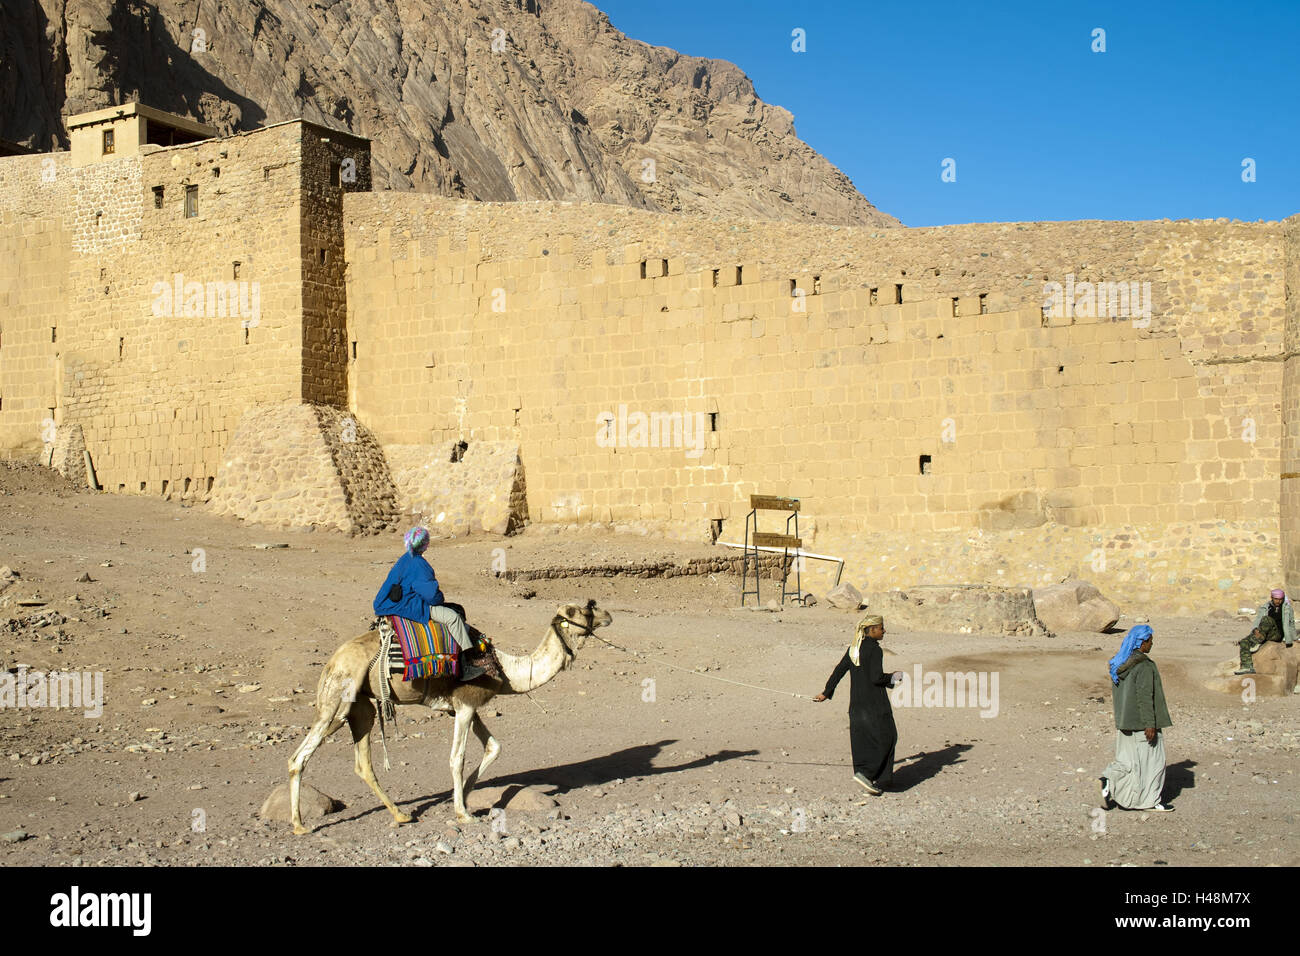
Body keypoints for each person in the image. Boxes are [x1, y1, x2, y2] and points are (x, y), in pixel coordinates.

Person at [372, 526, 485, 681]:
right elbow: (432, 596)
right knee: (453, 616)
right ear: (425, 544)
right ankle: (466, 665)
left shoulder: (405, 559)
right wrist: (440, 599)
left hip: (391, 603)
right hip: (408, 605)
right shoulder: (419, 564)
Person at [813, 615, 903, 796]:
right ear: (871, 630)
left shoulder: (854, 649)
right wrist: (894, 676)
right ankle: (867, 774)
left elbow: (839, 671)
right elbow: (876, 677)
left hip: (857, 704)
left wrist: (826, 692)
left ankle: (883, 779)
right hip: (875, 704)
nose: (884, 631)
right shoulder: (875, 650)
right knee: (888, 736)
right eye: (881, 628)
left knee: (864, 740)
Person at [1099, 624, 1173, 812]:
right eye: (1149, 641)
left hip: (1125, 722)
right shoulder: (1144, 666)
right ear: (1142, 642)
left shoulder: (1119, 664)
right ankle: (1149, 801)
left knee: (1128, 762)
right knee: (1153, 765)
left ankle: (1110, 780)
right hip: (1142, 724)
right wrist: (1150, 724)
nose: (1152, 644)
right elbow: (1145, 696)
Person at [1236, 588, 1295, 675]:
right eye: (1276, 599)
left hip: (1276, 634)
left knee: (1267, 619)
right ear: (1271, 598)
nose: (1278, 601)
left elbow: (1291, 623)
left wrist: (1294, 638)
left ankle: (1257, 641)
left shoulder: (1287, 608)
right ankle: (1247, 667)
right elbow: (1258, 620)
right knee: (1244, 642)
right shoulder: (1265, 607)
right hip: (1263, 633)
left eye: (1280, 599)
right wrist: (1255, 629)